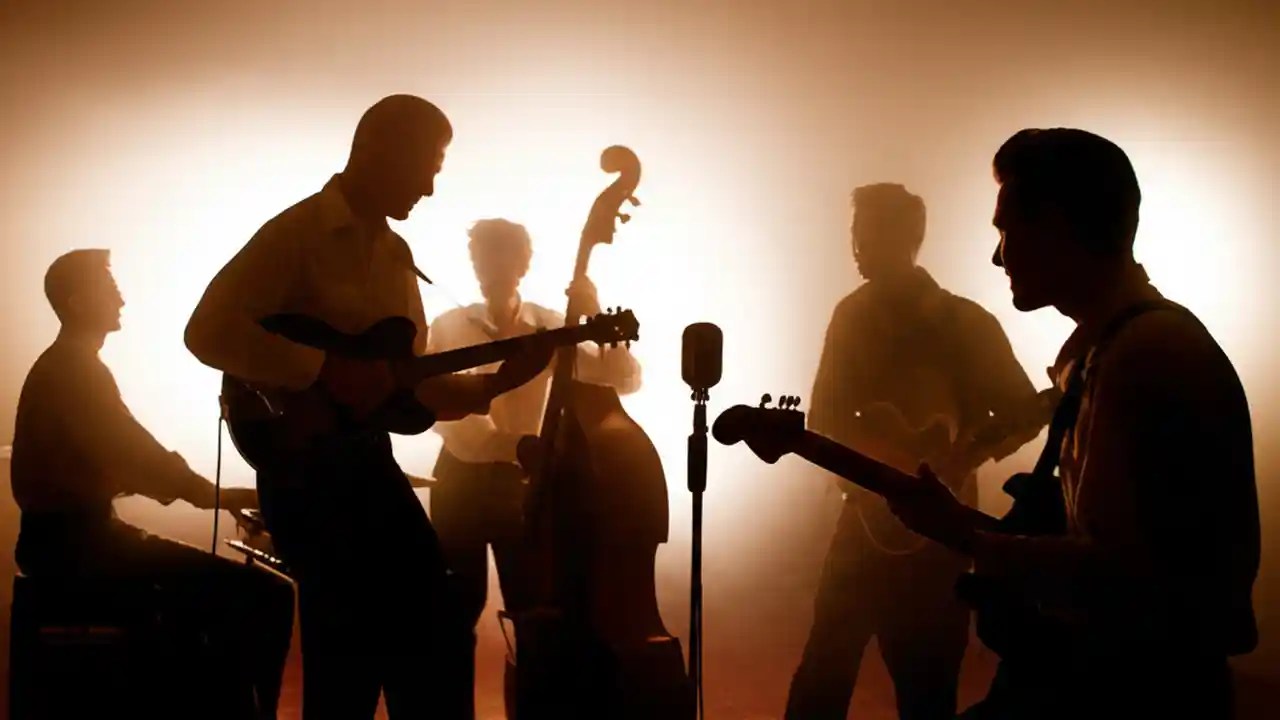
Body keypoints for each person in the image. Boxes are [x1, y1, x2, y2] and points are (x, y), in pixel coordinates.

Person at [184, 95, 553, 719]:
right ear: (381, 151)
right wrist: (323, 368)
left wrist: (494, 385)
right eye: (428, 166)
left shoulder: (395, 257)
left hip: (365, 467)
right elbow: (206, 332)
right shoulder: (295, 234)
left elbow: (408, 390)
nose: (432, 189)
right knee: (349, 651)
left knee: (425, 631)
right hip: (302, 475)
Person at [889, 128, 1260, 719]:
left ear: (1058, 227)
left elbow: (1119, 577)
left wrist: (968, 539)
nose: (997, 255)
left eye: (1006, 231)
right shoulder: (1116, 351)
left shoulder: (1145, 358)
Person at [784, 183, 1045, 720]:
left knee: (888, 683)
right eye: (855, 236)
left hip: (919, 534)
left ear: (903, 238)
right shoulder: (863, 317)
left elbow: (1023, 414)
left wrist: (966, 452)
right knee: (835, 676)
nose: (856, 249)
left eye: (865, 235)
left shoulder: (958, 323)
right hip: (877, 528)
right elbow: (823, 420)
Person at [10, 248, 294, 718]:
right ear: (79, 301)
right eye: (109, 286)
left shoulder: (68, 365)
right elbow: (137, 455)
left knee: (213, 604)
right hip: (81, 547)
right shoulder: (76, 370)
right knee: (265, 596)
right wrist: (221, 496)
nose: (121, 299)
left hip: (71, 541)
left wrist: (211, 494)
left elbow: (131, 456)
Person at [425, 218, 640, 710]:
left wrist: (595, 319)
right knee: (454, 615)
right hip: (463, 476)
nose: (488, 267)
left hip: (524, 483)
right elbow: (446, 414)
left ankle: (536, 711)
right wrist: (517, 445)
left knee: (532, 611)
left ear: (522, 264)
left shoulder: (549, 326)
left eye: (500, 256)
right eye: (481, 256)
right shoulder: (449, 327)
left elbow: (622, 379)